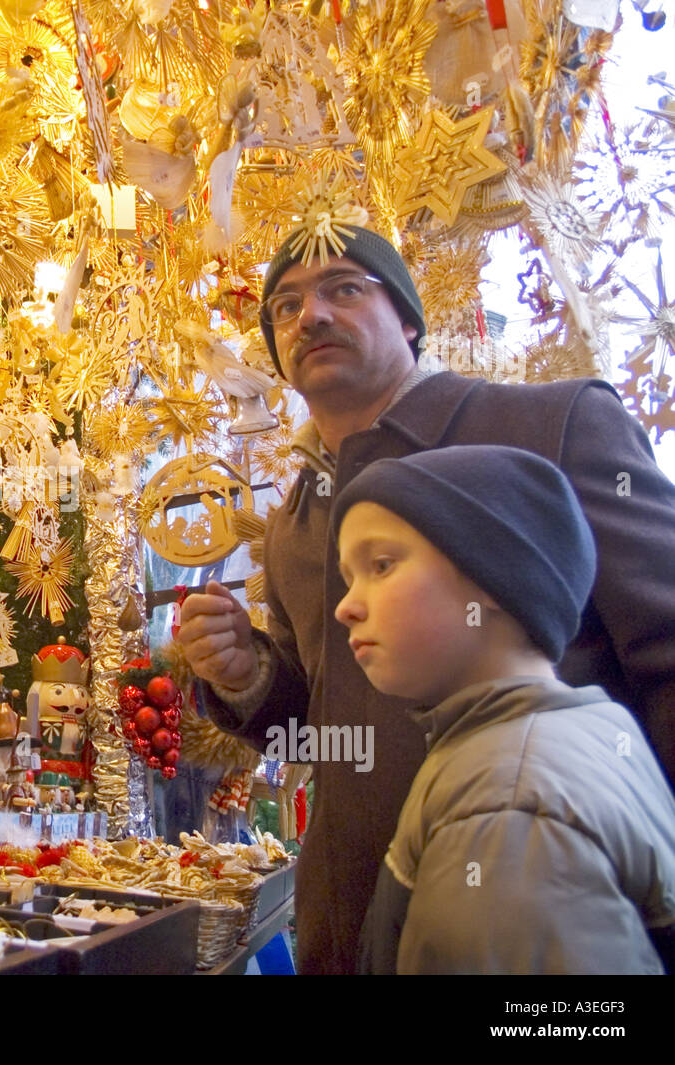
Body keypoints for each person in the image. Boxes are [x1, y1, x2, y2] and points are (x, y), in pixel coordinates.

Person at [175, 223, 675, 974]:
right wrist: (248, 674)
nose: (310, 315)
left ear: (409, 320)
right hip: (352, 931)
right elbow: (321, 736)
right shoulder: (293, 525)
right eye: (285, 306)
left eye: (345, 288)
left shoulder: (548, 428)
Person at [331, 446, 675, 973]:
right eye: (349, 577)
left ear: (492, 579)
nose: (345, 606)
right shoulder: (593, 726)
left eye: (381, 565)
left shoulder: (504, 809)